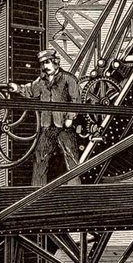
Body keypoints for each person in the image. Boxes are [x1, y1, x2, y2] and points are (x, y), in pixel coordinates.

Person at [15, 48, 81, 188]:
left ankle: (75, 191)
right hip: (47, 125)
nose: (45, 66)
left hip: (64, 127)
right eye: (43, 63)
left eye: (48, 62)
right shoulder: (42, 81)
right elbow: (30, 91)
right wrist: (18, 89)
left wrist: (70, 118)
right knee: (40, 157)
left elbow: (76, 100)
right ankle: (37, 190)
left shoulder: (69, 79)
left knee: (71, 158)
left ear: (56, 62)